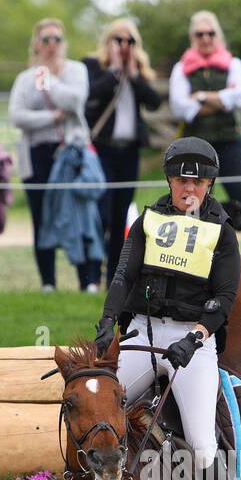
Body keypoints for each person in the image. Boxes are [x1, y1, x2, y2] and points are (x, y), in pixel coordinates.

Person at [23, 137, 241, 480]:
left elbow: (224, 298)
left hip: (193, 342)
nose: (190, 187)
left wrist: (197, 337)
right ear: (169, 180)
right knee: (97, 406)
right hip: (143, 332)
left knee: (203, 444)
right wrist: (108, 322)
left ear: (209, 184)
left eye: (198, 180)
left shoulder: (221, 233)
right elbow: (124, 273)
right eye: (183, 178)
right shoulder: (147, 222)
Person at [8, 18, 93, 293]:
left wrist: (48, 81)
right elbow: (17, 116)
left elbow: (75, 101)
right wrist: (52, 116)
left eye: (57, 39)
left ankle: (87, 280)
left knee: (78, 215)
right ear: (36, 44)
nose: (51, 45)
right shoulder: (24, 79)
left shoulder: (77, 70)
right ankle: (48, 282)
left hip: (70, 154)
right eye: (45, 39)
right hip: (36, 155)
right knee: (42, 216)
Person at [168, 11, 241, 252]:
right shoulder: (181, 68)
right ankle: (189, 261)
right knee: (190, 204)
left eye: (210, 33)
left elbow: (240, 97)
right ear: (193, 37)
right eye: (200, 34)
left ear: (217, 35)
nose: (206, 38)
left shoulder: (233, 64)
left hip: (230, 142)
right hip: (195, 147)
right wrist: (221, 100)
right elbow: (181, 107)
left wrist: (200, 97)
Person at [83, 18, 161, 286]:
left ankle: (113, 278)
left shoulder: (138, 71)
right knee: (101, 213)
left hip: (129, 151)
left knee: (119, 217)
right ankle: (91, 275)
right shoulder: (93, 66)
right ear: (108, 41)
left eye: (130, 41)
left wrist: (132, 74)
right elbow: (89, 100)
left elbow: (154, 102)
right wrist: (114, 70)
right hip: (102, 150)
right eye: (119, 39)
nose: (124, 45)